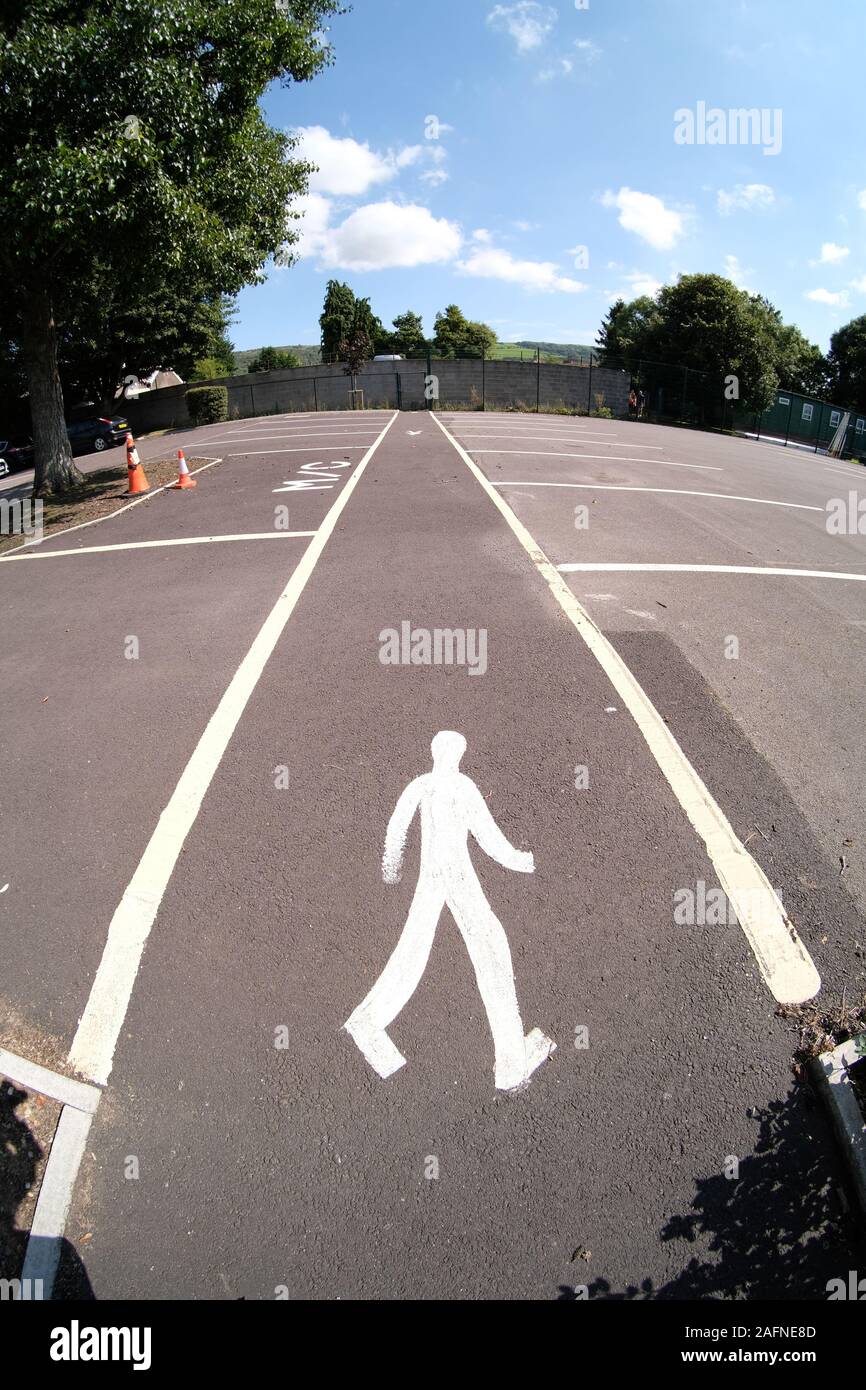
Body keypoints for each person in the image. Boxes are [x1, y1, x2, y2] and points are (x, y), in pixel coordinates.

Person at [344, 731, 556, 1091]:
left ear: (434, 751)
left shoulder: (421, 784)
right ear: (458, 754)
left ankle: (367, 1025)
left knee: (411, 954)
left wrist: (391, 868)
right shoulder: (462, 786)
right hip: (458, 878)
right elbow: (488, 836)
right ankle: (510, 1065)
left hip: (431, 877)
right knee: (491, 951)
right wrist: (522, 861)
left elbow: (397, 827)